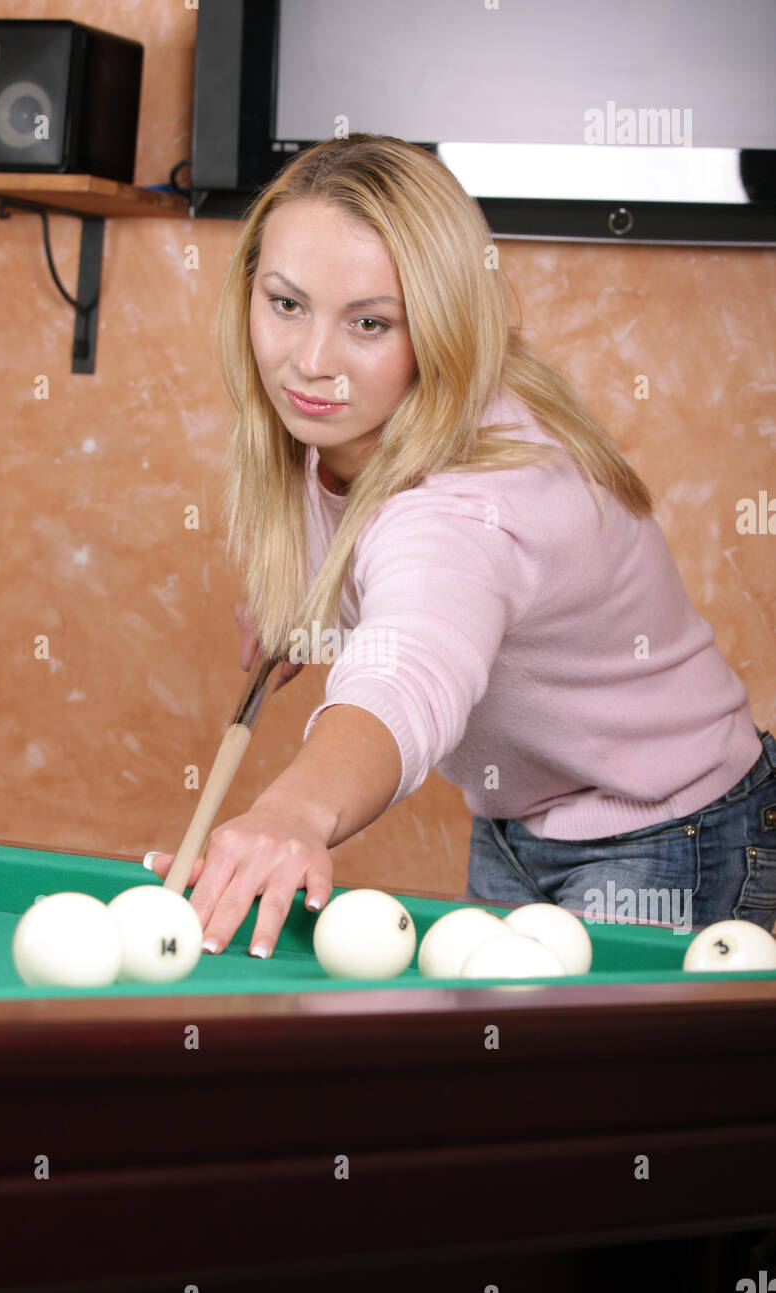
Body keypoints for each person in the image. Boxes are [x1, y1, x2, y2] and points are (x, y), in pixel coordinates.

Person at [148, 133, 776, 956]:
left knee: (580, 1085)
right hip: (517, 824)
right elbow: (374, 561)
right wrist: (304, 606)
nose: (310, 361)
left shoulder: (468, 501)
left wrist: (292, 812)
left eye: (370, 322)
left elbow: (411, 666)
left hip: (675, 832)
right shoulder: (351, 419)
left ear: (440, 327)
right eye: (287, 303)